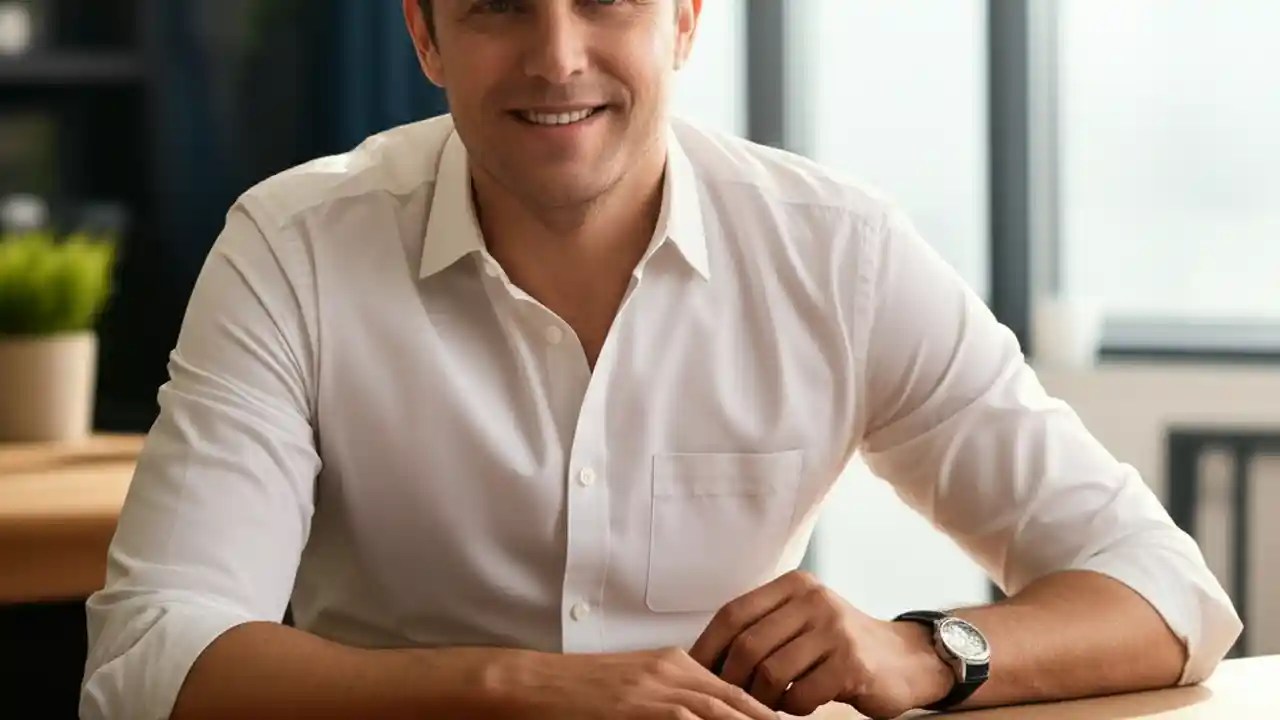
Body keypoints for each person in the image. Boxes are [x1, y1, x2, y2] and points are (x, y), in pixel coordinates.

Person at [80, 1, 1242, 718]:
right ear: (424, 32)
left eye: (606, 1)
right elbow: (150, 660)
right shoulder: (291, 248)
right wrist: (519, 691)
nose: (557, 55)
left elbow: (1164, 592)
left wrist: (925, 651)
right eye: (496, 7)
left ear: (683, 19)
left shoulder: (835, 251)